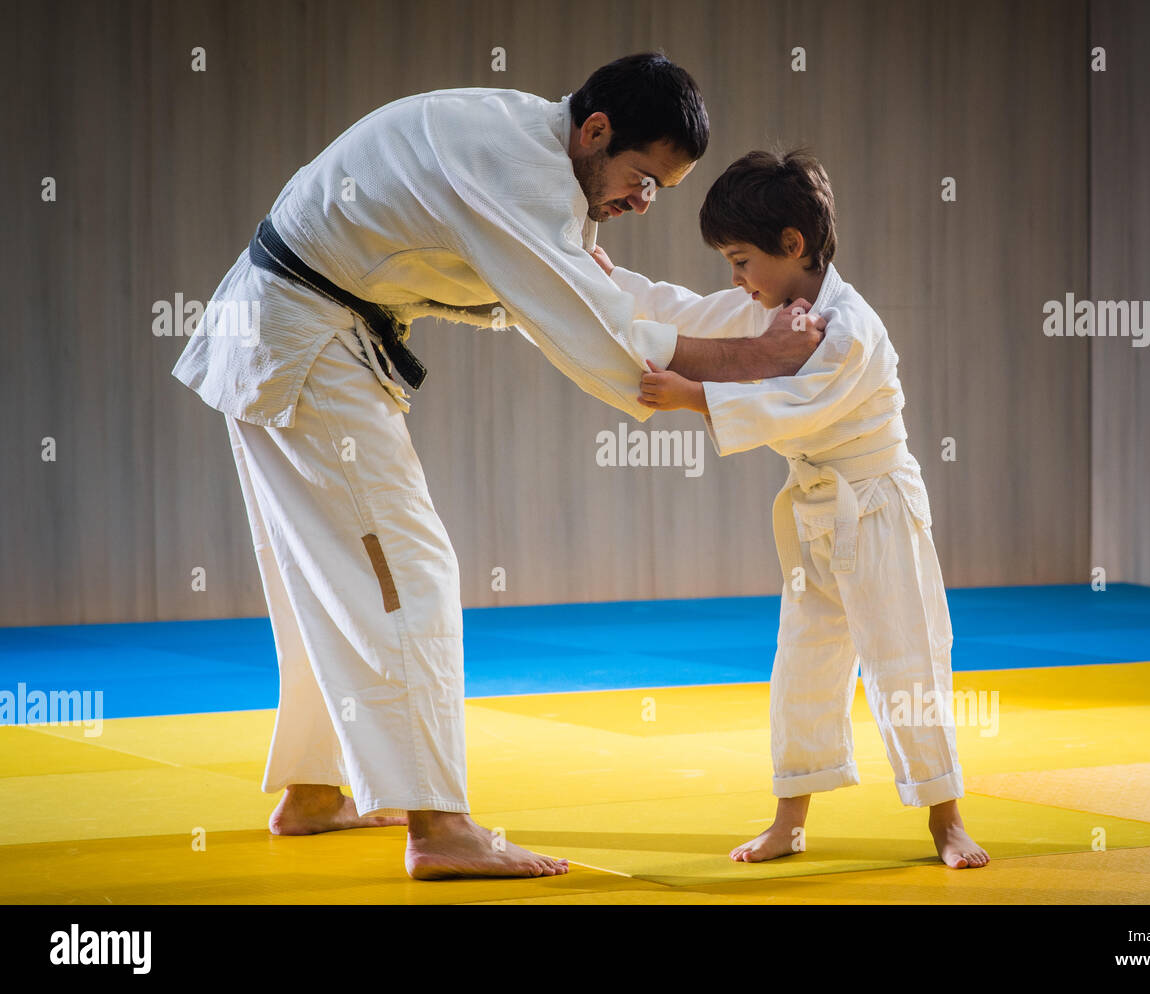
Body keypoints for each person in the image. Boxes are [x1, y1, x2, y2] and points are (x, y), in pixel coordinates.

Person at [171, 55, 826, 881]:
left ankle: (314, 790)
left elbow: (596, 301)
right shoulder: (519, 168)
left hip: (283, 325)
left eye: (659, 190)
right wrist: (760, 359)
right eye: (642, 178)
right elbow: (606, 340)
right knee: (407, 569)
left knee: (332, 577)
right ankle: (439, 827)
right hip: (302, 338)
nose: (642, 202)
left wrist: (739, 337)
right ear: (595, 131)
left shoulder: (532, 152)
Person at [593, 149, 988, 868]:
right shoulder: (766, 308)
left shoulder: (851, 326)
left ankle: (946, 818)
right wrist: (611, 281)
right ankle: (790, 820)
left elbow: (796, 405)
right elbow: (684, 310)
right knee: (802, 664)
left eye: (741, 261)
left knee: (907, 660)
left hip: (878, 507)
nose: (735, 279)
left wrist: (695, 397)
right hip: (815, 512)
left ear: (792, 244)